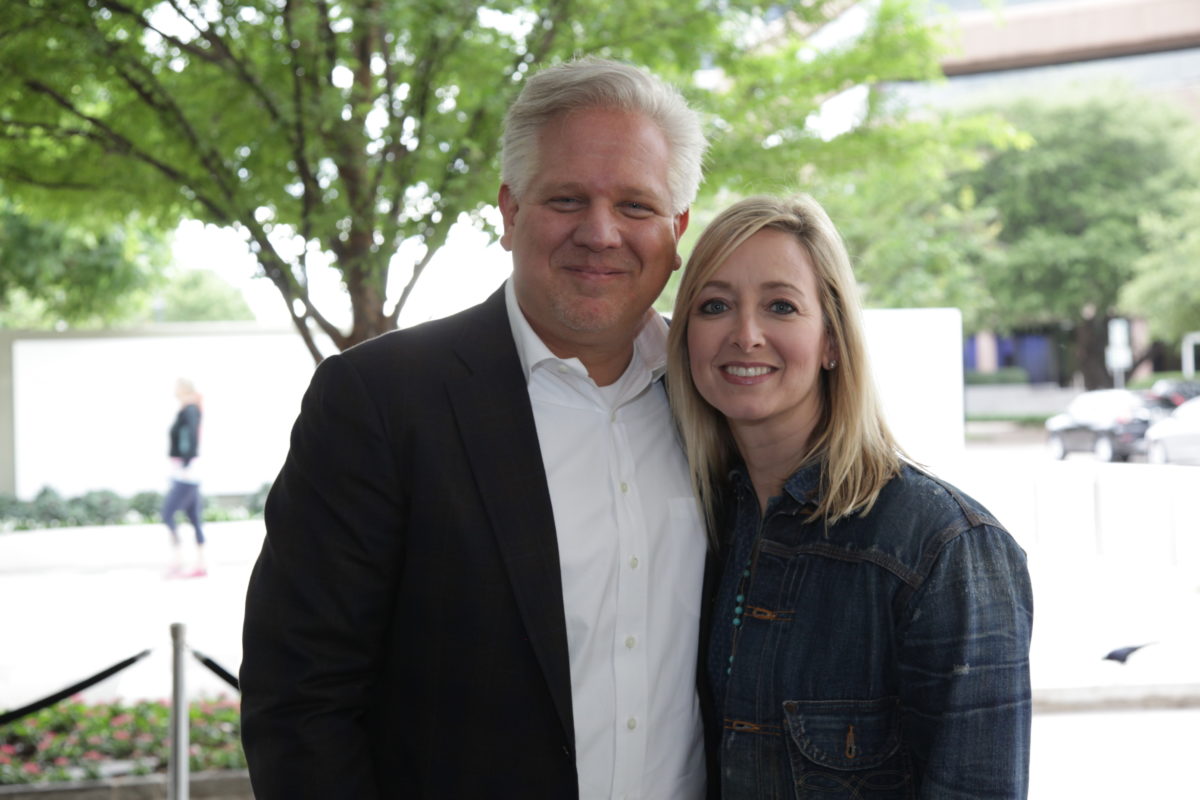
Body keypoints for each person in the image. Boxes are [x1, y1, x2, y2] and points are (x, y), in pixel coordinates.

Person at [240, 57, 712, 799]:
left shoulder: (718, 401)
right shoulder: (379, 402)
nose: (600, 232)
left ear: (676, 229)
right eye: (565, 198)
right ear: (510, 212)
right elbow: (300, 702)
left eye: (635, 206)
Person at [666, 195, 1034, 798]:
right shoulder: (703, 525)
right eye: (715, 305)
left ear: (832, 340)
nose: (746, 334)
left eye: (781, 306)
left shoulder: (946, 548)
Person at [163, 377, 206, 578]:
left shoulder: (189, 409)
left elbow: (190, 438)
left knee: (168, 513)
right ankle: (200, 563)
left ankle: (178, 560)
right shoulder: (191, 408)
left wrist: (185, 464)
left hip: (186, 472)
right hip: (188, 470)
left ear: (183, 389)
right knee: (194, 517)